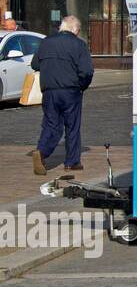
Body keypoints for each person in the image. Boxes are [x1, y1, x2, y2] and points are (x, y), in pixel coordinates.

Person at [30, 15, 94, 174]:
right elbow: (86, 72)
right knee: (72, 127)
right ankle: (71, 162)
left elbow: (35, 64)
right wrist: (81, 86)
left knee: (51, 124)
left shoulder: (46, 42)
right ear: (75, 29)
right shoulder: (79, 44)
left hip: (49, 91)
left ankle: (42, 151)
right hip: (71, 91)